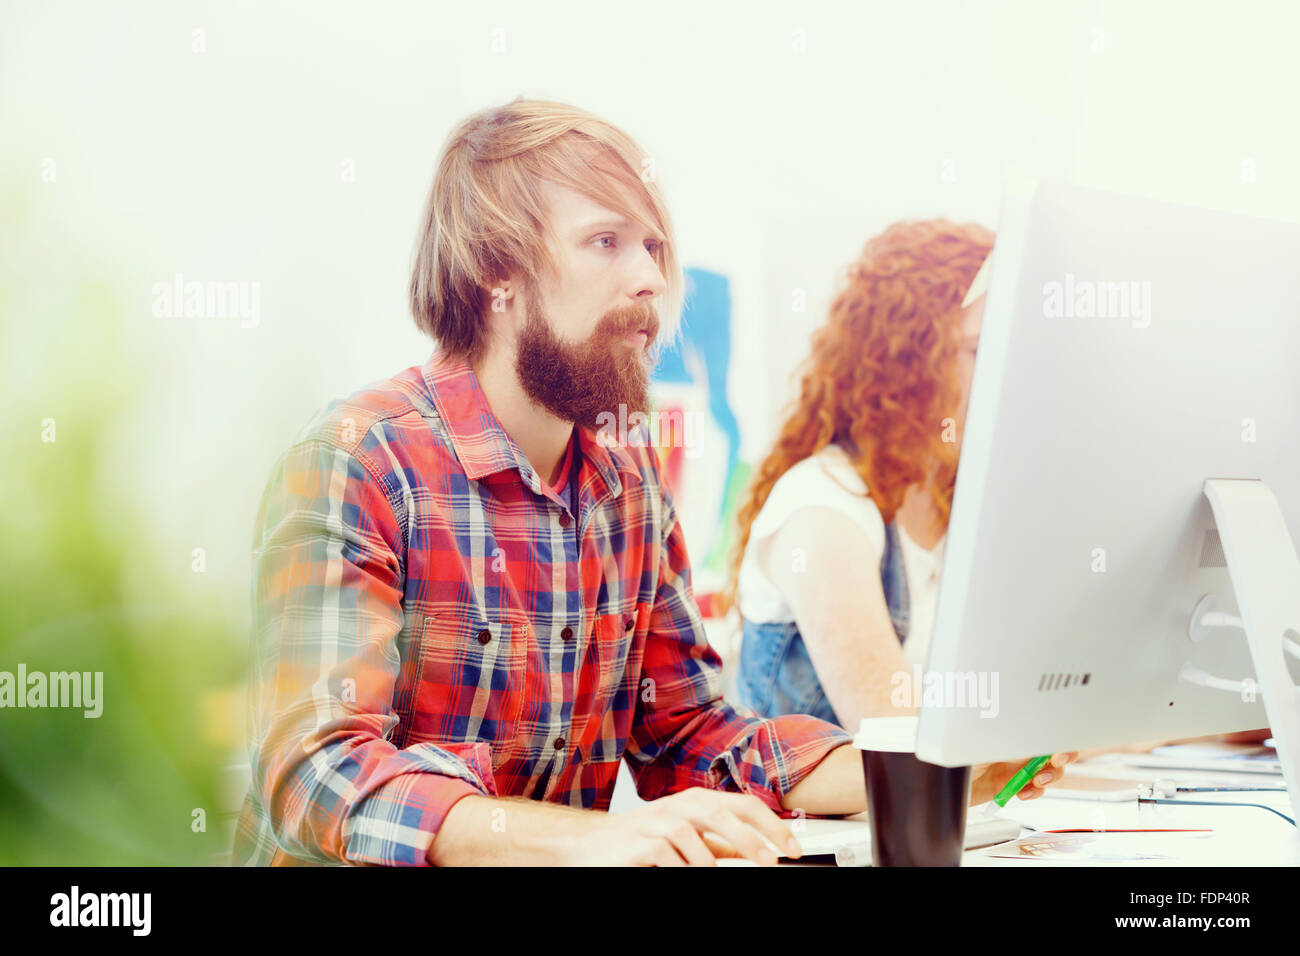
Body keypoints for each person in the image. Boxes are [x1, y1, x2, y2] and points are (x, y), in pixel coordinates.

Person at [234, 101, 1070, 868]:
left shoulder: (626, 482)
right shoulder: (360, 458)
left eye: (654, 248)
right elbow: (318, 772)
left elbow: (688, 737)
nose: (650, 282)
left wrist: (950, 756)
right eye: (606, 242)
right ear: (498, 274)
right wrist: (590, 839)